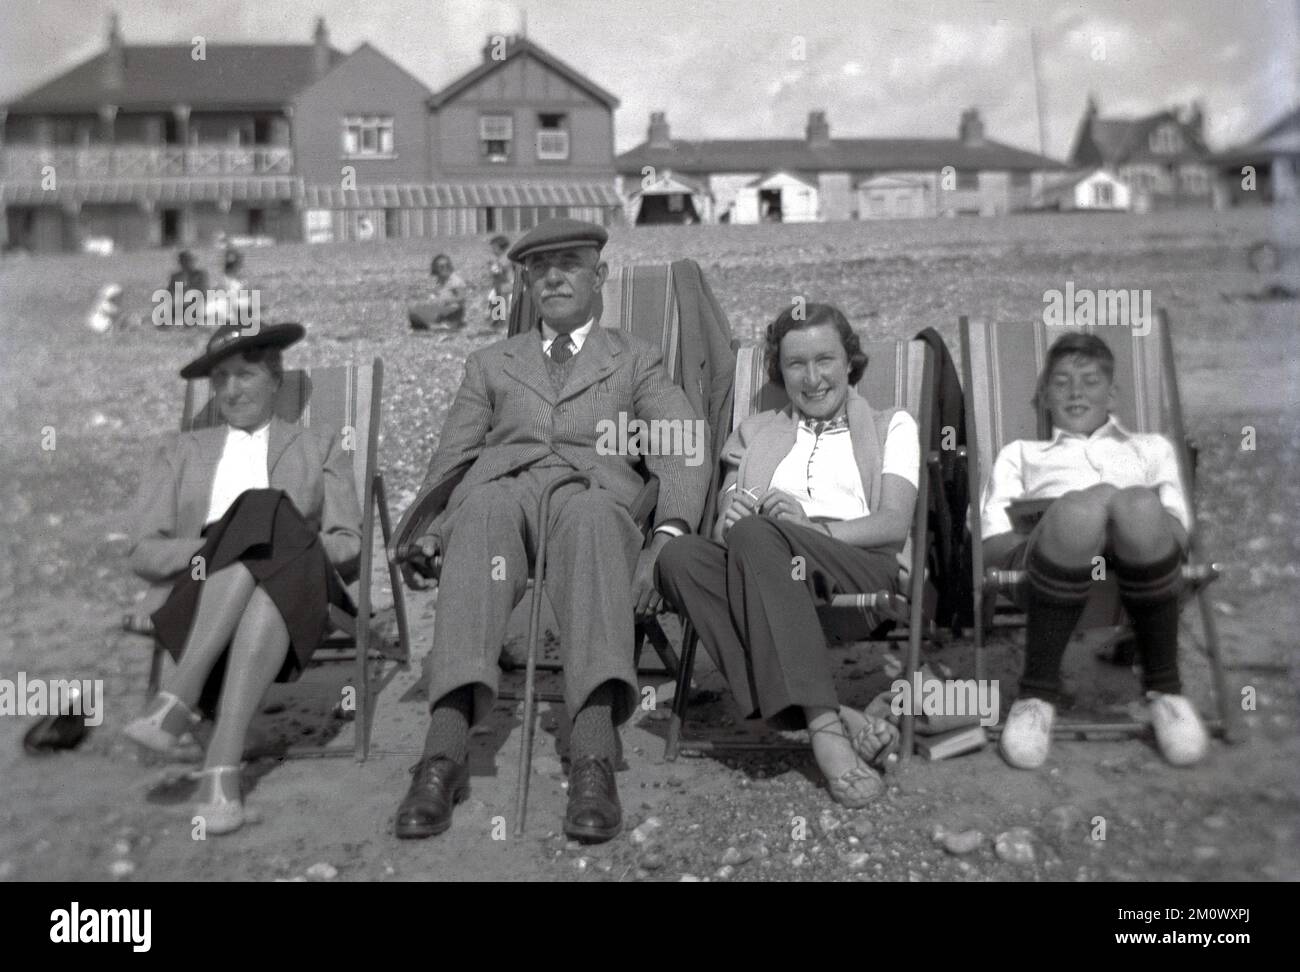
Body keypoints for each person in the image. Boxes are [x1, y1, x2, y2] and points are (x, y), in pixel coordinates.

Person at [390, 218, 710, 843]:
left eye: (569, 264)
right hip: (501, 491)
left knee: (592, 520)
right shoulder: (490, 362)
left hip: (594, 494)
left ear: (600, 276)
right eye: (540, 268)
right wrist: (428, 529)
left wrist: (667, 535)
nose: (554, 277)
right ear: (526, 283)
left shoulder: (635, 357)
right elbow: (452, 457)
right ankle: (442, 755)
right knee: (479, 513)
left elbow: (683, 446)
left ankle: (592, 755)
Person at [655, 303, 920, 808]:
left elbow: (893, 523)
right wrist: (727, 514)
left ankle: (821, 727)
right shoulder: (755, 433)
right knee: (680, 557)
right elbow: (722, 531)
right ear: (781, 371)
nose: (813, 377)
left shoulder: (892, 426)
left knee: (760, 534)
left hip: (859, 567)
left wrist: (809, 527)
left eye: (826, 360)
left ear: (850, 363)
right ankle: (837, 712)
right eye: (797, 364)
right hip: (768, 576)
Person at [123, 323, 362, 834]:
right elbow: (142, 550)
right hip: (199, 583)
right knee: (254, 528)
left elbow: (349, 544)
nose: (231, 390)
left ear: (276, 380)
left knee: (264, 513)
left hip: (296, 585)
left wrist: (285, 543)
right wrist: (221, 546)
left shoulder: (318, 447)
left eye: (245, 375)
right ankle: (220, 778)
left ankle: (177, 708)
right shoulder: (179, 450)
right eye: (221, 379)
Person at [980, 331, 1204, 769]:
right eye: (1061, 382)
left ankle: (1165, 692)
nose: (1076, 391)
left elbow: (1178, 531)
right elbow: (992, 541)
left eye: (1090, 380)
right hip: (1043, 567)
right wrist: (1071, 517)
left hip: (1137, 560)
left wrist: (1110, 505)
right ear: (1044, 395)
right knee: (1078, 512)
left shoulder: (1152, 448)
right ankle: (1036, 696)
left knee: (1138, 504)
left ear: (1113, 393)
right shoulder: (1021, 453)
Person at [408, 253, 467, 331]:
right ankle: (437, 325)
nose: (445, 268)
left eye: (447, 265)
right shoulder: (440, 281)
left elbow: (462, 298)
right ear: (436, 269)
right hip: (440, 310)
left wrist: (447, 301)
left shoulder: (456, 280)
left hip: (452, 311)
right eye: (441, 267)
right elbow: (434, 295)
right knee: (413, 311)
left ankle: (440, 326)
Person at [486, 234, 514, 329]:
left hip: (508, 283)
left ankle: (502, 321)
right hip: (501, 284)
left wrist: (493, 266)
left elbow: (498, 271)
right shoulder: (499, 258)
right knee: (493, 296)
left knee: (500, 296)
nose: (492, 250)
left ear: (501, 248)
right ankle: (496, 318)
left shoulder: (505, 259)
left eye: (494, 248)